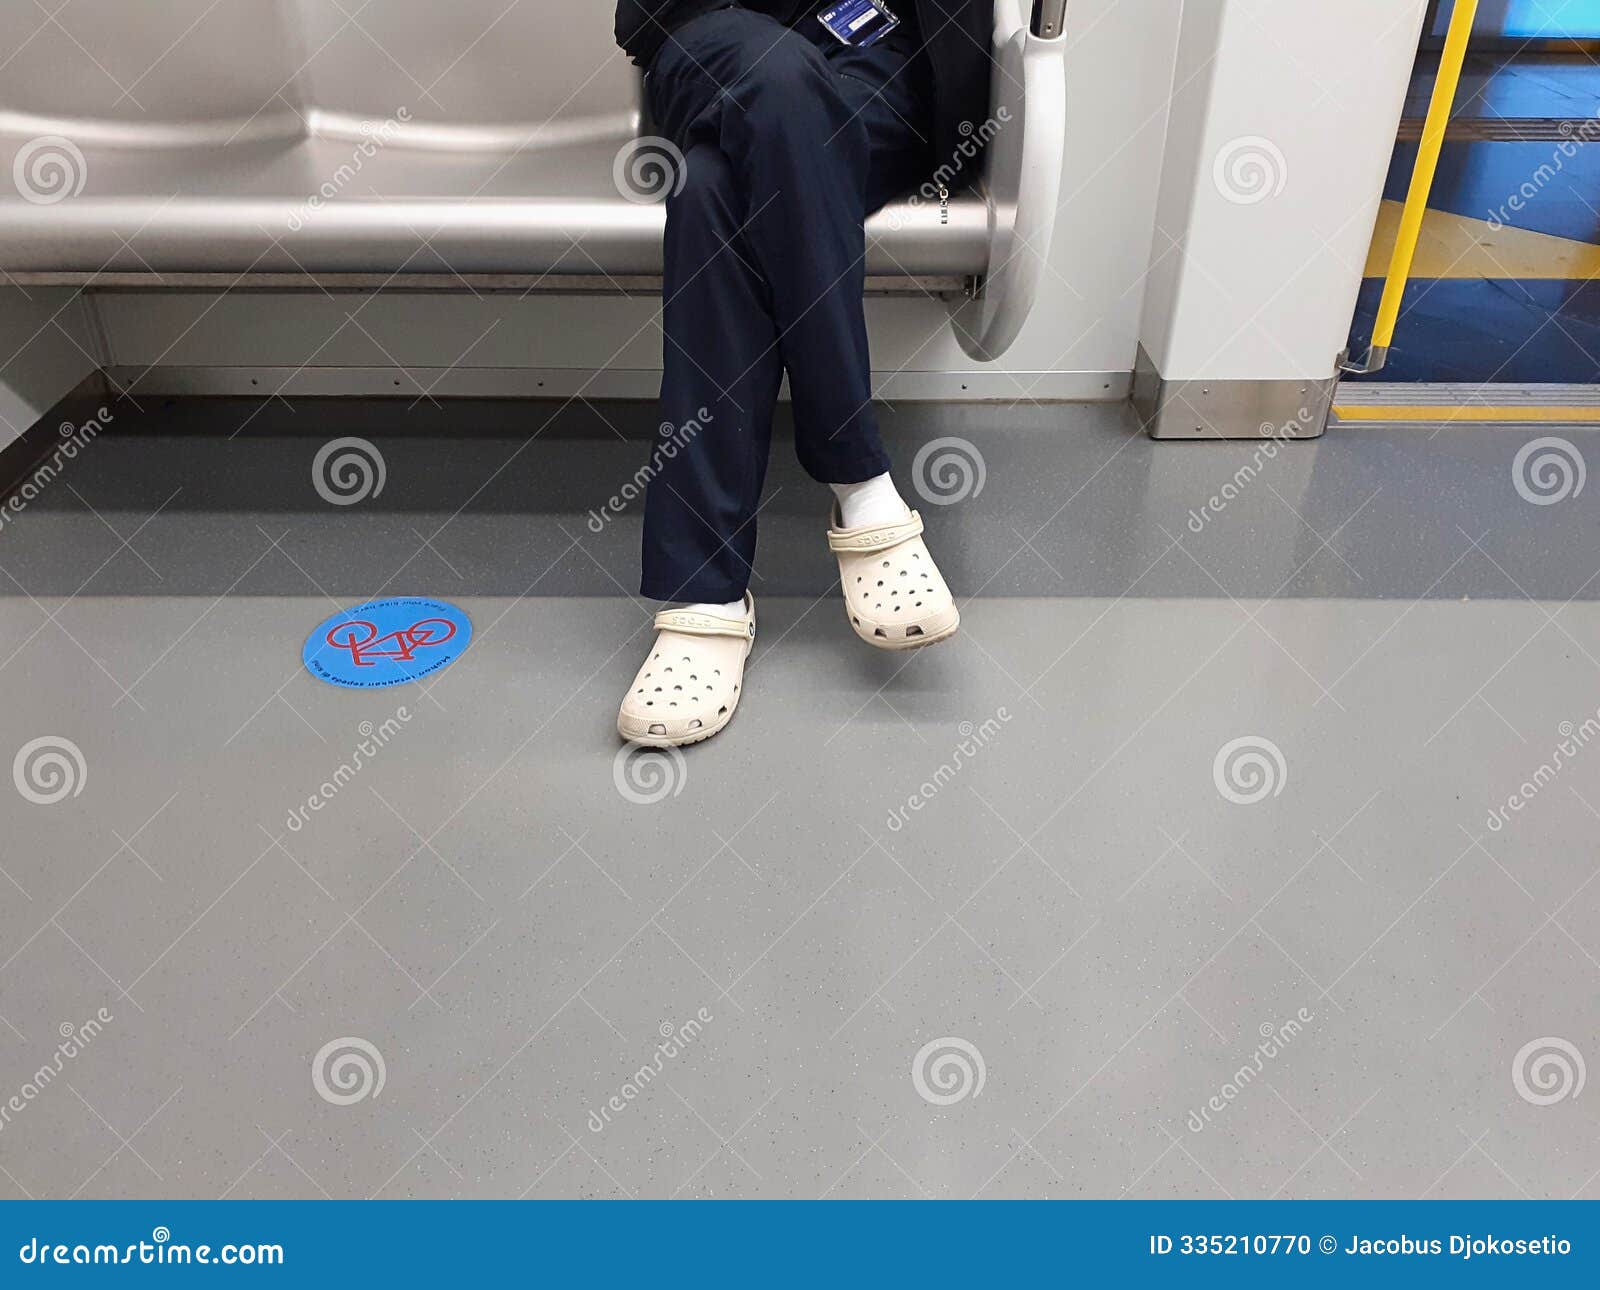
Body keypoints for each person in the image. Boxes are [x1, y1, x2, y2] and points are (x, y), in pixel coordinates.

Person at [613, 0, 993, 747]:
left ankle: (704, 597)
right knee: (778, 80)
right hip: (715, 37)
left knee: (712, 190)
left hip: (885, 55)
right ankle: (861, 484)